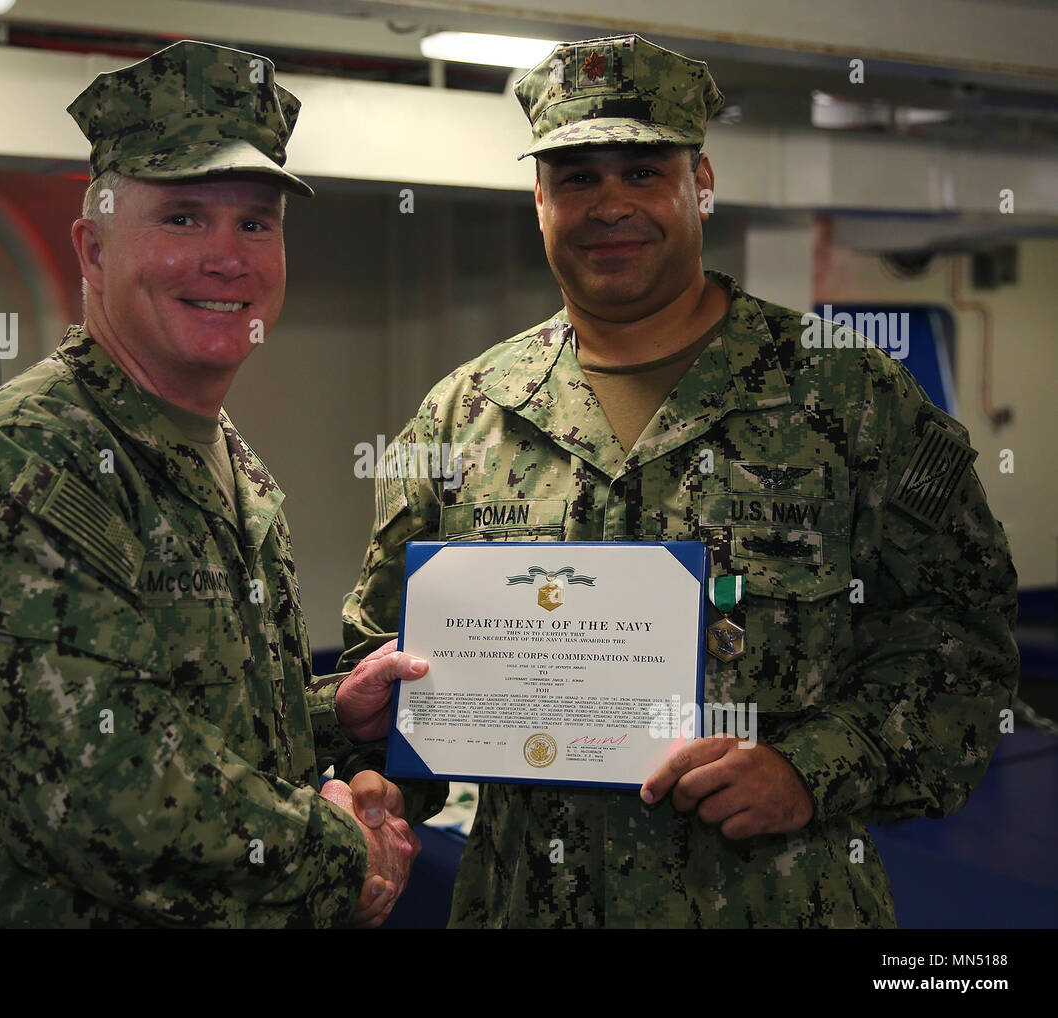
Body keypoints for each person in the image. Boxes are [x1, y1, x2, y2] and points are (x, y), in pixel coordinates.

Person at [339, 33, 1019, 927]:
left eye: (643, 173)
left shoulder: (846, 397)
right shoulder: (466, 413)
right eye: (576, 177)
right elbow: (381, 658)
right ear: (539, 198)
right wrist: (375, 783)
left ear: (700, 183)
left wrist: (811, 771)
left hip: (772, 903)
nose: (609, 205)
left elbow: (961, 647)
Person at [0, 39, 438, 929]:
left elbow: (197, 716)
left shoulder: (228, 464)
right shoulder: (23, 465)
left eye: (256, 223)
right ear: (93, 247)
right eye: (182, 218)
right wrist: (346, 854)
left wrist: (340, 722)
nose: (226, 258)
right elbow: (105, 799)